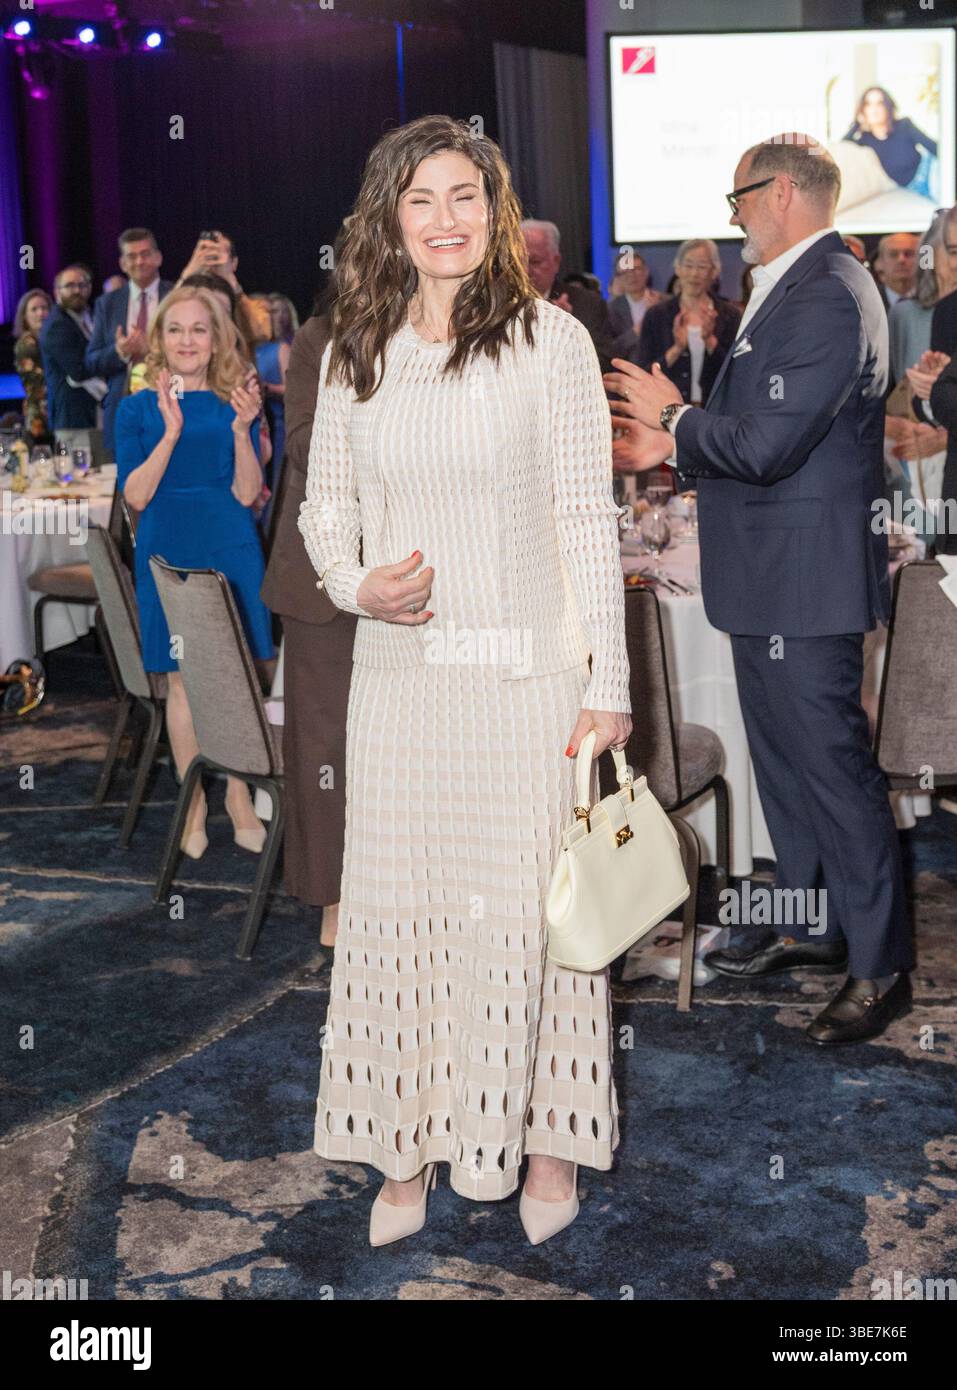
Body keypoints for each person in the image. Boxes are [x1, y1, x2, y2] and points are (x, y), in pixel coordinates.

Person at [298, 114, 630, 1246]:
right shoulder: (358, 348)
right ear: (389, 216)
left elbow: (591, 517)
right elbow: (323, 507)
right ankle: (406, 1147)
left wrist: (609, 680)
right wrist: (353, 585)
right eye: (422, 199)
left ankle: (547, 1142)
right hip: (403, 683)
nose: (445, 219)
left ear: (494, 216)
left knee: (531, 924)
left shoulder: (553, 342)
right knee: (400, 914)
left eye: (466, 197)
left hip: (526, 684)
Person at [606, 133, 914, 1045]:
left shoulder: (823, 290)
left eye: (737, 196)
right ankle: (814, 926)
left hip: (805, 580)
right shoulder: (806, 282)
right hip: (775, 575)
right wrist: (685, 427)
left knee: (831, 767)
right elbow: (761, 428)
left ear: (778, 192)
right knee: (785, 761)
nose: (729, 213)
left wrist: (673, 422)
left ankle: (879, 963)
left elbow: (767, 444)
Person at [115, 286, 274, 859]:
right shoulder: (136, 409)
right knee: (182, 679)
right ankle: (193, 805)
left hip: (230, 545)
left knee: (236, 675)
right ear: (159, 340)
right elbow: (135, 494)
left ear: (215, 340)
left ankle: (235, 793)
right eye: (175, 329)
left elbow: (250, 493)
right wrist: (171, 432)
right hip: (167, 550)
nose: (186, 340)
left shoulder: (239, 402)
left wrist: (241, 432)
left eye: (198, 329)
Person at [259, 276, 352, 951]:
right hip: (322, 579)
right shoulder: (320, 341)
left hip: (419, 576)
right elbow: (302, 445)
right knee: (325, 748)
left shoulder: (438, 338)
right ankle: (334, 898)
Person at [84, 228, 175, 457]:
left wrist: (152, 351)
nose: (139, 261)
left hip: (172, 404)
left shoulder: (177, 296)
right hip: (123, 410)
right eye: (132, 256)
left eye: (145, 254)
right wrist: (120, 351)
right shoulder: (107, 303)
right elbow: (91, 362)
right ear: (123, 263)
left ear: (158, 258)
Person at [636, 239, 740, 406]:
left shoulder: (729, 315)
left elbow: (738, 373)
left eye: (702, 267)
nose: (694, 274)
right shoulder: (656, 315)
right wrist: (677, 348)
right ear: (677, 268)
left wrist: (710, 341)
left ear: (714, 272)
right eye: (689, 265)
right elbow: (644, 372)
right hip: (667, 408)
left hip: (714, 409)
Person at [520, 219, 617, 372]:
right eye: (518, 261)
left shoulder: (588, 304)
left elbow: (604, 364)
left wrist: (566, 331)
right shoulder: (498, 304)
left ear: (556, 261)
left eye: (535, 262)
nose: (525, 270)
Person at [39, 265, 102, 439]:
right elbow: (78, 370)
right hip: (72, 419)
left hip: (91, 414)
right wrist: (115, 356)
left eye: (82, 285)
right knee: (77, 467)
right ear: (57, 291)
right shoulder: (57, 325)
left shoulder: (88, 316)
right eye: (69, 286)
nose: (77, 291)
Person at [843, 87, 938, 197]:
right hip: (909, 189)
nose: (874, 109)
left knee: (944, 199)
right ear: (863, 110)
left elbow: (935, 148)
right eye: (868, 104)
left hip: (928, 171)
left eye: (879, 104)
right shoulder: (865, 139)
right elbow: (842, 146)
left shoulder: (904, 125)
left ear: (888, 107)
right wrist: (856, 124)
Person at [607, 249, 663, 359]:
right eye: (624, 272)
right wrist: (637, 330)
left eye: (635, 270)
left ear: (646, 271)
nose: (631, 276)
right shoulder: (611, 308)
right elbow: (611, 349)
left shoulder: (664, 302)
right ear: (617, 278)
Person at [12, 289, 52, 442]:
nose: (40, 313)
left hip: (54, 412)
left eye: (44, 308)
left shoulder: (47, 339)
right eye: (34, 309)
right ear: (24, 315)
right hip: (39, 418)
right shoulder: (26, 344)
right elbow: (34, 383)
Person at [872, 233, 919, 312]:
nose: (901, 260)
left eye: (909, 254)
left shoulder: (934, 300)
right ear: (879, 264)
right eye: (893, 254)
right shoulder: (867, 302)